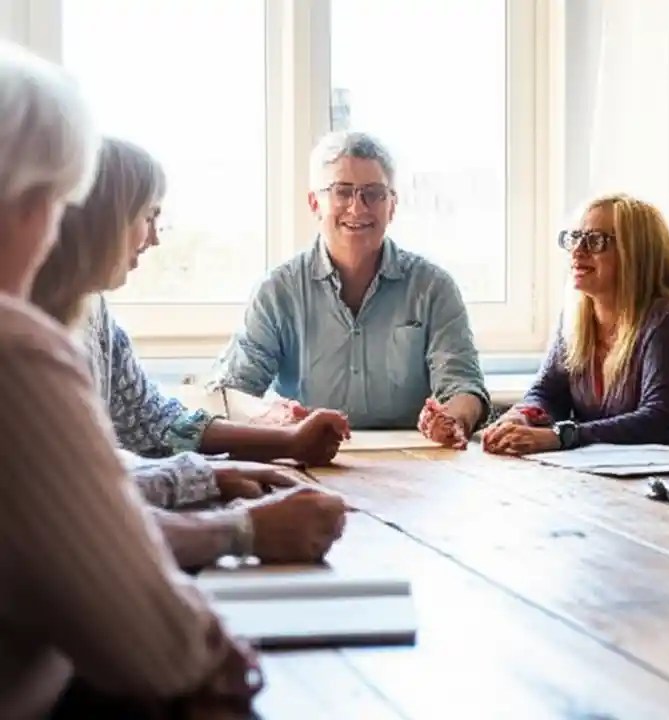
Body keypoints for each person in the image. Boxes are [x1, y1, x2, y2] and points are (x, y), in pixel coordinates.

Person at [0, 41, 258, 717]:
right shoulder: (18, 353)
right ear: (30, 203)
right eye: (60, 201)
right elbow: (155, 651)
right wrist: (210, 641)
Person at [31, 136, 347, 571]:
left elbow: (154, 422)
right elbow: (69, 508)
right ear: (104, 218)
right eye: (148, 217)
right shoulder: (26, 333)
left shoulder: (93, 311)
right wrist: (238, 523)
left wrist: (287, 442)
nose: (154, 239)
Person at [212, 130, 490, 446]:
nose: (357, 208)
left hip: (414, 459)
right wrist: (269, 415)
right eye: (342, 192)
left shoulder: (433, 288)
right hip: (306, 454)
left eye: (374, 193)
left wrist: (452, 420)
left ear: (392, 206)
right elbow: (231, 392)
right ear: (314, 203)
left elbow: (464, 386)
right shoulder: (277, 292)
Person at [482, 193, 669, 456]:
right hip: (615, 472)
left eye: (596, 241)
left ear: (636, 254)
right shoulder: (575, 318)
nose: (577, 250)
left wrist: (562, 436)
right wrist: (522, 417)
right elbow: (548, 393)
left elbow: (658, 422)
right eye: (575, 238)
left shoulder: (666, 317)